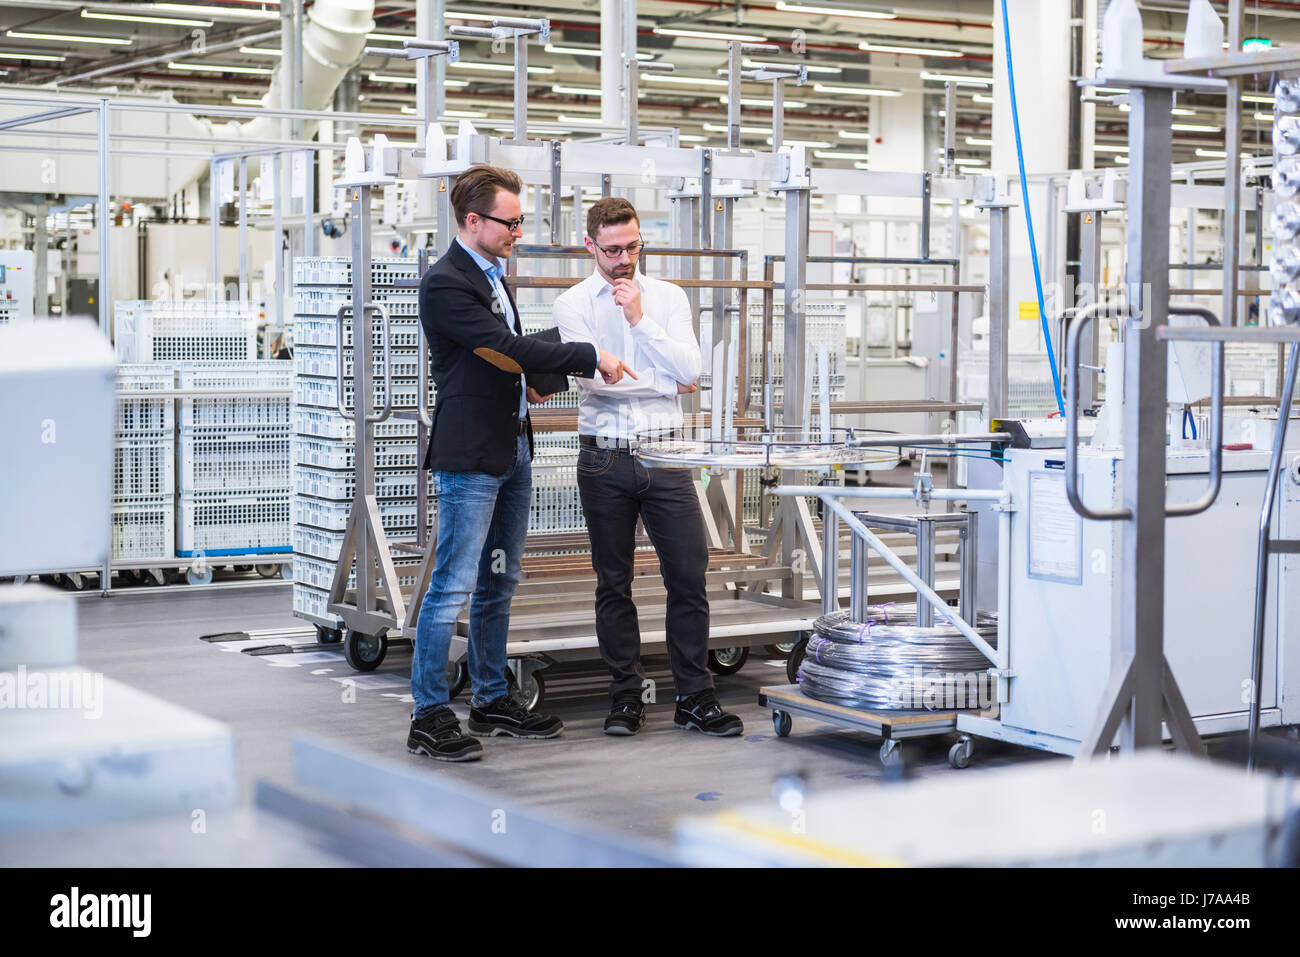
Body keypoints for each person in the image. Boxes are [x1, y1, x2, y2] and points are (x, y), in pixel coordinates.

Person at [409, 165, 636, 762]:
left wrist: (550, 367)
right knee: (452, 585)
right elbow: (503, 348)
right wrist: (588, 355)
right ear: (474, 220)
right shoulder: (446, 283)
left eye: (520, 221)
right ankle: (429, 714)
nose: (518, 232)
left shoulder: (491, 274)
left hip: (511, 446)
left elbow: (501, 356)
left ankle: (489, 698)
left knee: (499, 579)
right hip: (471, 456)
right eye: (510, 223)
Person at [552, 197, 744, 738]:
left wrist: (639, 321)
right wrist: (664, 380)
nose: (623, 259)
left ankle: (694, 697)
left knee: (688, 576)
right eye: (612, 250)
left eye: (632, 247)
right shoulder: (573, 305)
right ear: (590, 245)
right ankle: (626, 698)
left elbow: (692, 370)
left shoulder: (666, 297)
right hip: (604, 456)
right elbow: (593, 380)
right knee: (613, 583)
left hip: (667, 453)